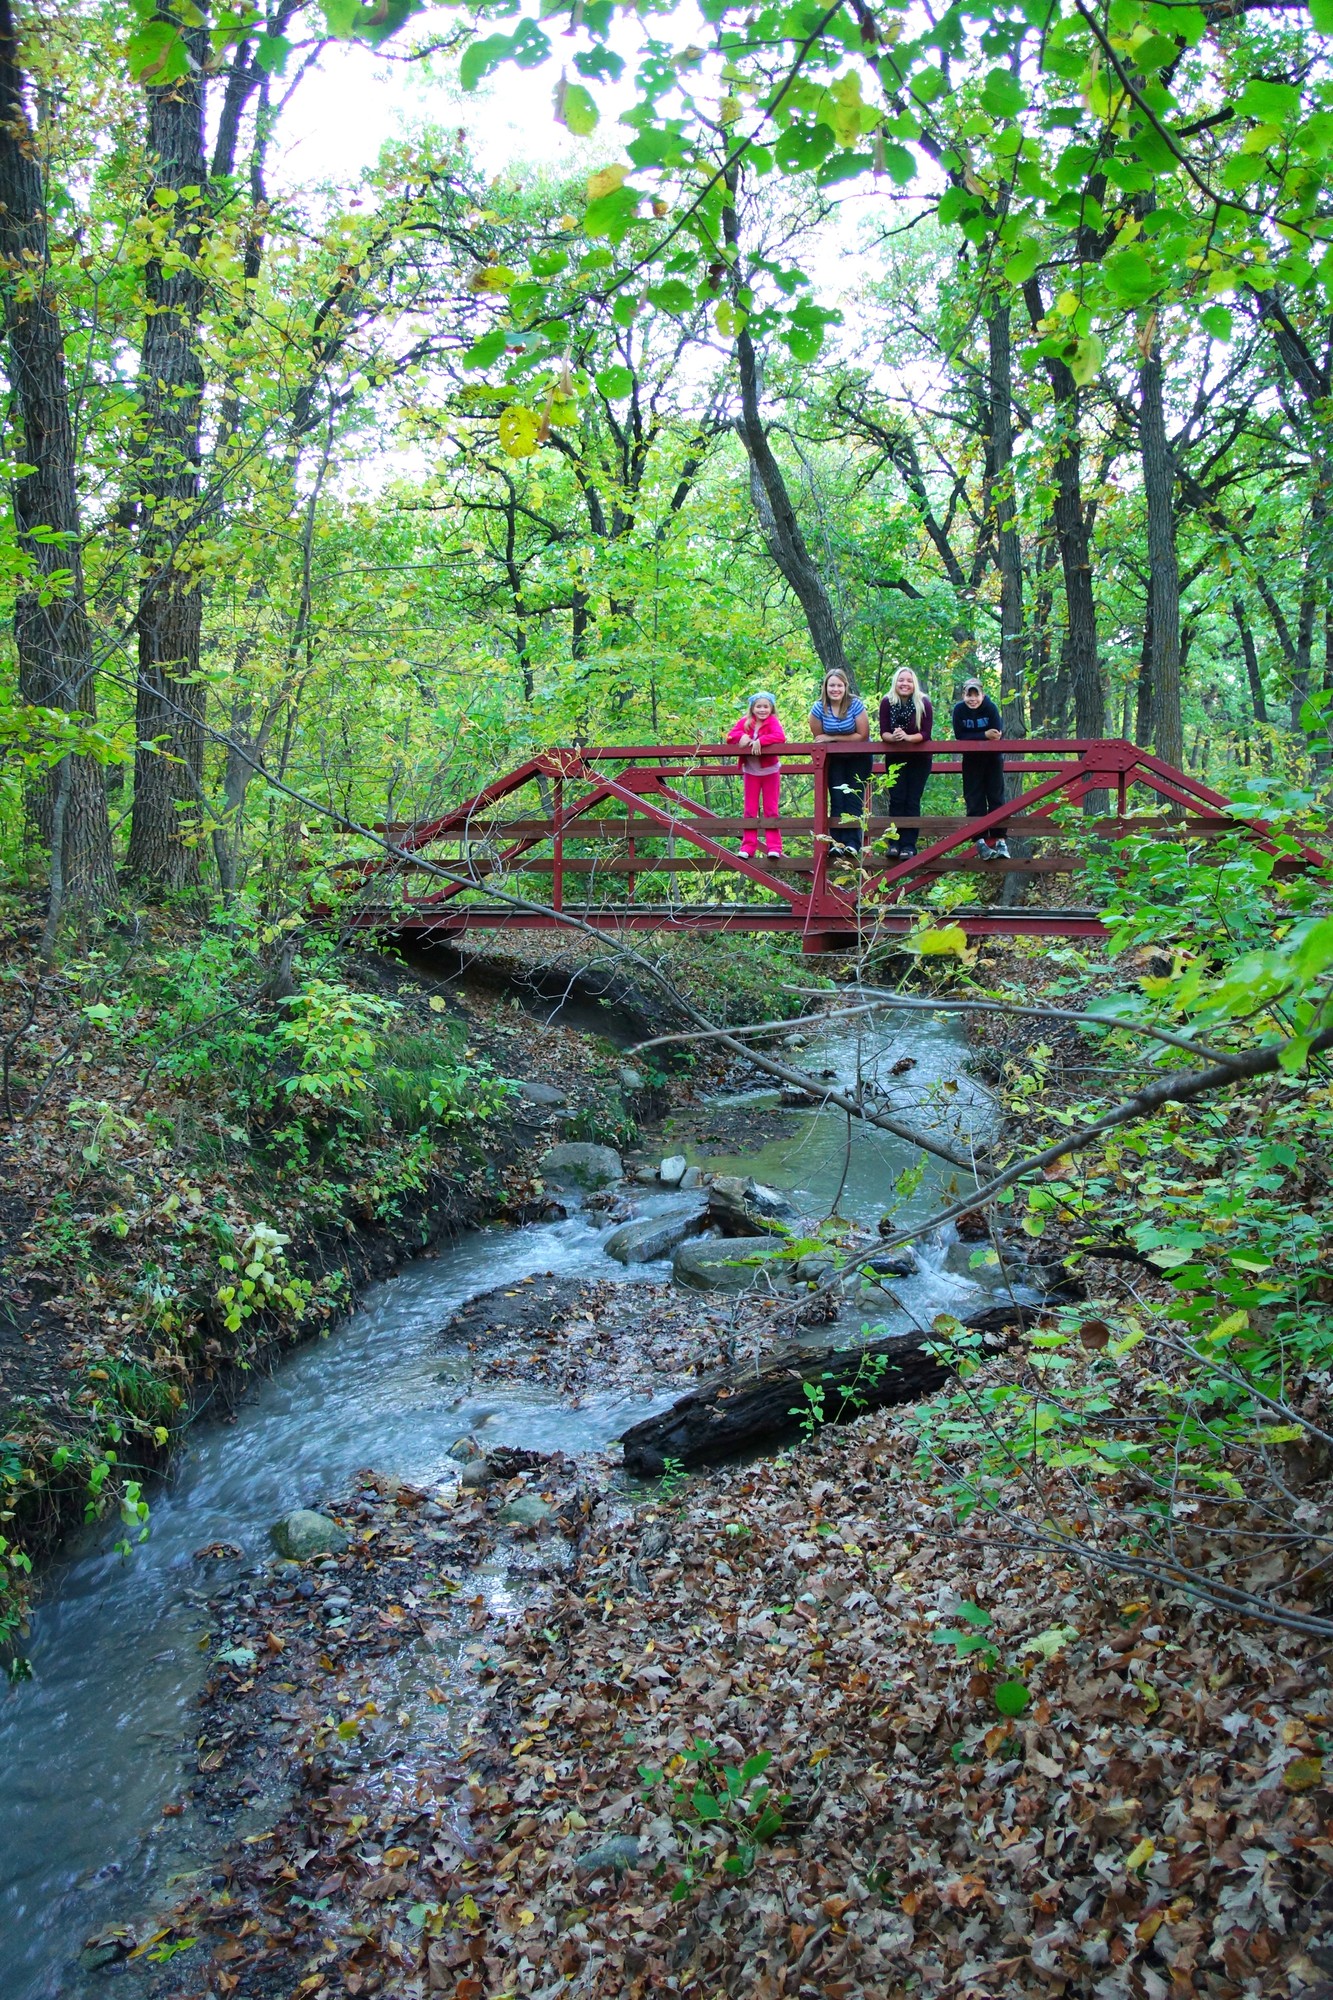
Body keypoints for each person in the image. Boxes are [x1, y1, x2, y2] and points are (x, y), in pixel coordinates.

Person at [809, 668, 871, 857]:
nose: (835, 689)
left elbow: (862, 735)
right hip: (834, 759)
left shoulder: (855, 705)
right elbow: (819, 737)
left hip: (859, 757)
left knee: (853, 798)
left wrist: (832, 737)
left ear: (845, 686)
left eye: (839, 685)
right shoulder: (819, 708)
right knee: (837, 799)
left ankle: (853, 843)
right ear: (825, 687)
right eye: (831, 685)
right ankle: (837, 843)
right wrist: (828, 738)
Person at [952, 676, 1010, 860]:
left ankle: (1000, 840)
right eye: (969, 695)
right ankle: (980, 841)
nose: (972, 699)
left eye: (976, 695)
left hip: (992, 759)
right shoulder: (959, 710)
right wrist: (984, 734)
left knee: (996, 797)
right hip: (971, 760)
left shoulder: (991, 708)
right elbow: (960, 736)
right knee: (974, 798)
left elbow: (997, 734)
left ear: (983, 695)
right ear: (963, 695)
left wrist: (979, 736)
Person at [879, 667, 934, 857]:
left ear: (914, 683)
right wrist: (895, 738)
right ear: (896, 682)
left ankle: (909, 845)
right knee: (897, 799)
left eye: (909, 681)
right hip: (895, 757)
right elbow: (883, 731)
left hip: (920, 758)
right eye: (901, 680)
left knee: (912, 800)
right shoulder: (887, 702)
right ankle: (893, 844)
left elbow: (926, 733)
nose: (905, 684)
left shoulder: (923, 702)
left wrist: (908, 738)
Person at [726, 691, 786, 858]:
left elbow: (780, 737)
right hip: (751, 772)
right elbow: (730, 736)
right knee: (750, 809)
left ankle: (774, 847)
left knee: (771, 809)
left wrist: (761, 741)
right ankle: (748, 847)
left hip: (770, 771)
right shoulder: (746, 722)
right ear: (752, 708)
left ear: (771, 708)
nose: (762, 710)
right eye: (758, 706)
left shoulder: (772, 722)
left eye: (765, 706)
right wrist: (742, 737)